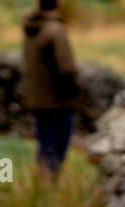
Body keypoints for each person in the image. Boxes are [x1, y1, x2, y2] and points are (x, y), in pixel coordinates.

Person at [22, 0, 79, 176]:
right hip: (58, 102)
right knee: (57, 152)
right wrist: (73, 95)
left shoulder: (31, 30)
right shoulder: (55, 31)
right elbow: (67, 69)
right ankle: (49, 191)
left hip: (38, 100)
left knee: (44, 148)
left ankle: (38, 190)